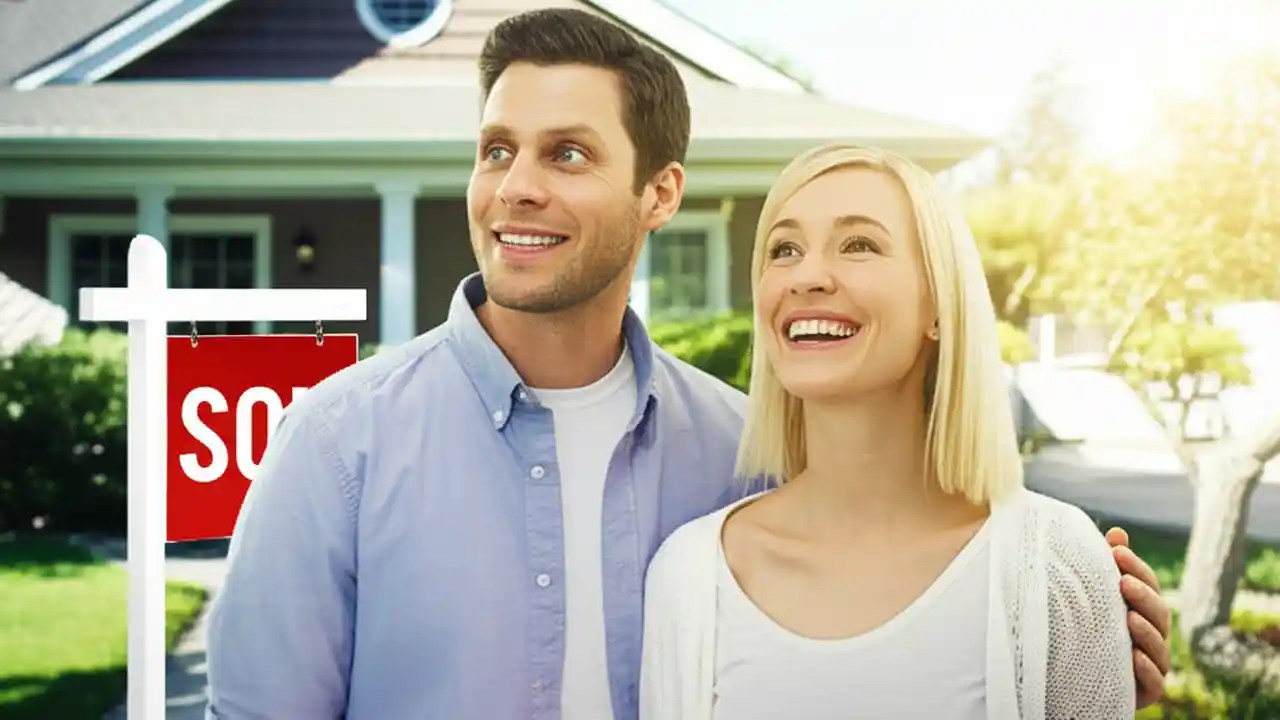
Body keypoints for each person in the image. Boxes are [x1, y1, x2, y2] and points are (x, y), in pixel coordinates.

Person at [204, 8, 1171, 720]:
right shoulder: (336, 443)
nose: (516, 189)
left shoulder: (738, 452)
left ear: (660, 192)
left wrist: (1073, 611)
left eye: (568, 154)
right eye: (496, 150)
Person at [639, 143, 1147, 719]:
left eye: (859, 244)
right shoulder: (688, 576)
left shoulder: (1051, 564)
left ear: (939, 305)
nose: (806, 276)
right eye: (784, 249)